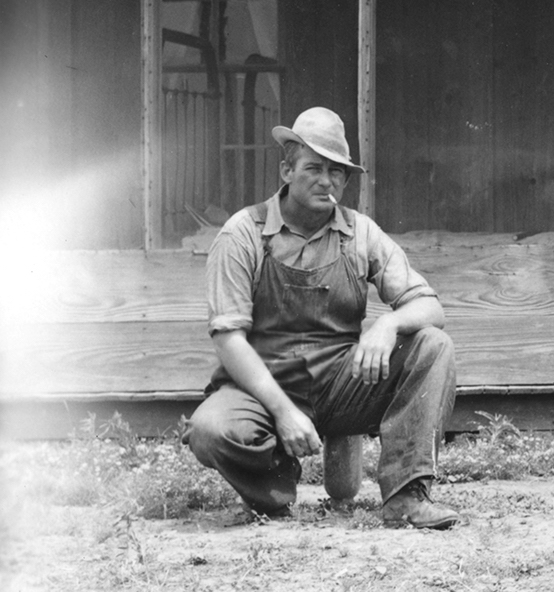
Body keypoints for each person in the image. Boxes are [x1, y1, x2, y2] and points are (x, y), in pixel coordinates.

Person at [184, 108, 460, 528]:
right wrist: (283, 412)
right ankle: (272, 491)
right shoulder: (242, 234)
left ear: (346, 181)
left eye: (337, 172)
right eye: (313, 168)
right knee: (210, 429)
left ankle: (406, 497)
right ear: (286, 171)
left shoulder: (361, 232)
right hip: (262, 388)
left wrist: (387, 324)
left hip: (341, 384)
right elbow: (229, 339)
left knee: (432, 346)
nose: (326, 181)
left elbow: (430, 307)